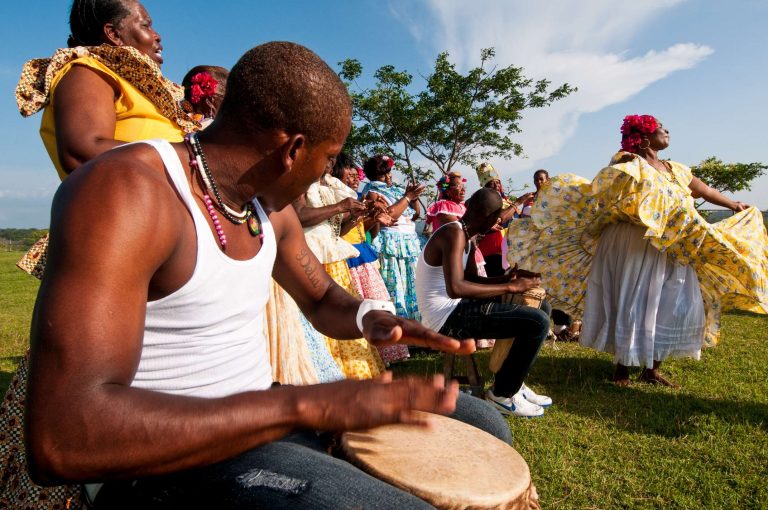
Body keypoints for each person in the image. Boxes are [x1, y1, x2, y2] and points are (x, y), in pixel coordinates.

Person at [25, 42, 511, 508]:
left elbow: (320, 297)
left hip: (261, 420)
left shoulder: (264, 210)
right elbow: (64, 437)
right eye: (326, 158)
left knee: (482, 425)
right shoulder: (128, 193)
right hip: (160, 466)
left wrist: (371, 317)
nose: (326, 173)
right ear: (293, 150)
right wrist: (305, 405)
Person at [3, 1, 194, 506]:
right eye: (145, 21)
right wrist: (192, 158)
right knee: (94, 401)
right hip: (117, 248)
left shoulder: (153, 91)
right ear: (112, 32)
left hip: (164, 251)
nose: (157, 32)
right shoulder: (86, 69)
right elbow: (83, 148)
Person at [506, 114, 768, 386]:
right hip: (635, 241)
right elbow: (608, 188)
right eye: (660, 128)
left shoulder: (675, 169)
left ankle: (652, 369)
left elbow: (702, 190)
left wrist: (733, 204)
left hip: (672, 244)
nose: (667, 131)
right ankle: (622, 369)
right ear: (644, 139)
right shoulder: (628, 163)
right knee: (635, 299)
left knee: (670, 301)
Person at [416, 188, 553, 418]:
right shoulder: (453, 234)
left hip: (456, 308)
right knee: (537, 322)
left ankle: (514, 383)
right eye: (497, 217)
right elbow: (456, 288)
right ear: (488, 217)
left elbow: (471, 279)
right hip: (447, 318)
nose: (498, 221)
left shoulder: (466, 236)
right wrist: (509, 288)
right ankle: (502, 394)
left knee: (542, 308)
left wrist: (506, 279)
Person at [293, 159, 386, 379]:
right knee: (324, 320)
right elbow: (297, 216)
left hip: (335, 260)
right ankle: (330, 376)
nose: (330, 161)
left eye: (333, 157)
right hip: (312, 261)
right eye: (327, 154)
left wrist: (358, 216)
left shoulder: (330, 186)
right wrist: (340, 207)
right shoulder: (300, 184)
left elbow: (335, 232)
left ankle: (350, 375)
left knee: (343, 316)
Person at [333, 153, 410, 364]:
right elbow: (338, 231)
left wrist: (373, 217)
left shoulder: (358, 197)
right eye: (349, 172)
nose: (356, 177)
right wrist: (363, 213)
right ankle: (366, 356)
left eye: (356, 173)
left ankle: (386, 354)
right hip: (347, 256)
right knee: (360, 307)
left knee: (378, 304)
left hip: (363, 253)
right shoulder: (334, 198)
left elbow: (365, 229)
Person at [362, 156, 426, 323]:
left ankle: (417, 325)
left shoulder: (394, 190)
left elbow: (415, 215)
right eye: (389, 172)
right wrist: (407, 197)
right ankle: (399, 326)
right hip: (392, 243)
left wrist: (413, 197)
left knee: (412, 283)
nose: (391, 175)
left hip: (408, 242)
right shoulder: (372, 192)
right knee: (396, 284)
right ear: (384, 173)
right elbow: (389, 215)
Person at [474, 162, 533, 277]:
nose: (496, 184)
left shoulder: (507, 201)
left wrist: (526, 206)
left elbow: (519, 219)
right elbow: (501, 218)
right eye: (491, 183)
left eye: (497, 181)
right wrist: (518, 202)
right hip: (493, 250)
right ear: (485, 187)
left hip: (510, 249)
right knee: (496, 283)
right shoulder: (486, 201)